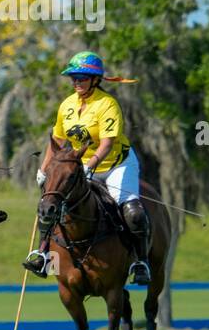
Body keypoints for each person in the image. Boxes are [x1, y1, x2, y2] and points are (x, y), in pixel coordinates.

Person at [23, 51, 150, 285]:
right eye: (73, 78)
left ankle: (140, 262)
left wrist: (90, 167)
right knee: (51, 204)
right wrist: (43, 170)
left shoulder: (107, 104)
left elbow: (107, 143)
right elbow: (58, 140)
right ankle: (42, 254)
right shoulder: (67, 105)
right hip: (80, 164)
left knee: (133, 211)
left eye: (81, 77)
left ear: (95, 79)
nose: (76, 82)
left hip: (115, 164)